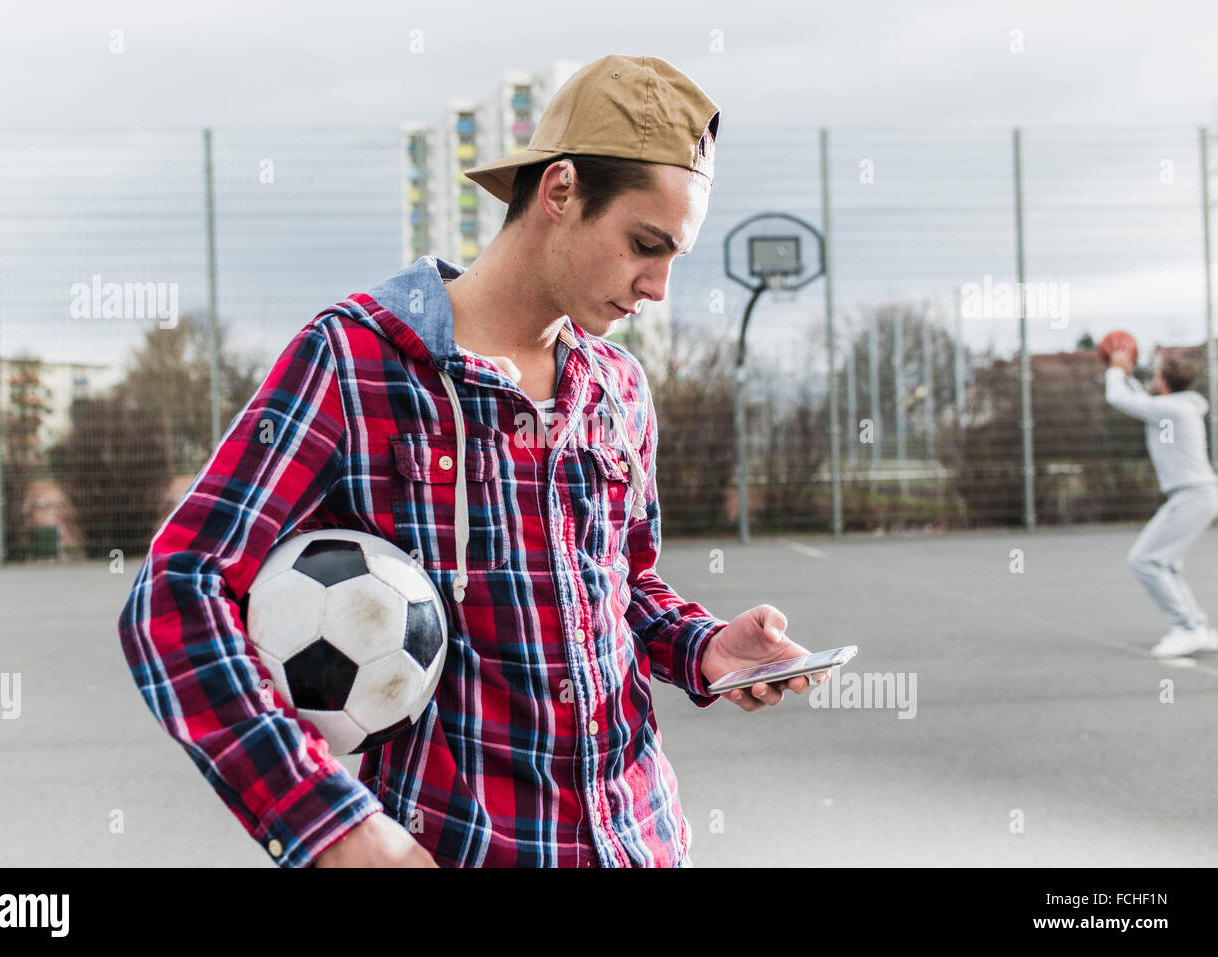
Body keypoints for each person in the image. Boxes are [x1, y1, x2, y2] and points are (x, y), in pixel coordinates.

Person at [118, 53, 828, 869]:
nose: (660, 286)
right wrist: (329, 821)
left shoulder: (619, 388)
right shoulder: (357, 362)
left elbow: (620, 587)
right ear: (559, 191)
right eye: (644, 243)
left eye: (676, 256)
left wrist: (704, 647)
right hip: (458, 844)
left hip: (642, 840)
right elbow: (177, 592)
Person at [1104, 344, 1218, 657]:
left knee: (1144, 560)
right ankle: (1196, 626)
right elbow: (1138, 399)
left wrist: (1116, 368)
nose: (1152, 380)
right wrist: (1124, 374)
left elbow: (1118, 399)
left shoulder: (1172, 409)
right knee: (1165, 562)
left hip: (1193, 495)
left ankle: (1189, 629)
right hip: (1194, 495)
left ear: (1163, 382)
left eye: (1155, 376)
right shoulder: (1176, 407)